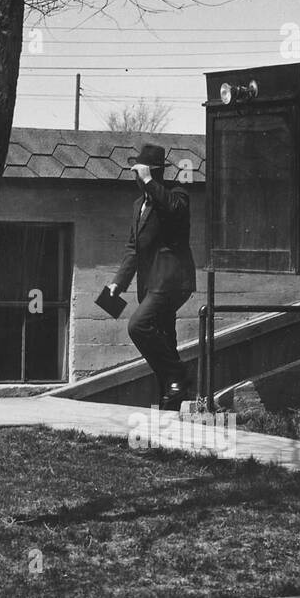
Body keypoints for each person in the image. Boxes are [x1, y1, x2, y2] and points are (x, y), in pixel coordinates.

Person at [103, 142, 197, 412]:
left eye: (138, 172)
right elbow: (133, 249)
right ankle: (171, 397)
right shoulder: (138, 205)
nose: (135, 178)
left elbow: (174, 210)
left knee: (138, 326)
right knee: (165, 337)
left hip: (171, 281)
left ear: (151, 173)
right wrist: (117, 284)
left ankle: (178, 375)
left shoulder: (176, 195)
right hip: (151, 284)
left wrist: (149, 181)